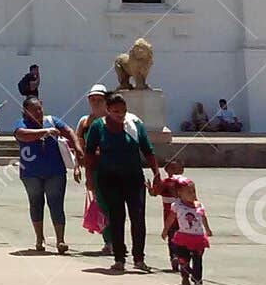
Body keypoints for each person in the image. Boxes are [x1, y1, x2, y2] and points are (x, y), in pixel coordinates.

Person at [84, 90, 162, 272]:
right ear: (107, 110)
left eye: (123, 111)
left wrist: (157, 174)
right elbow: (89, 154)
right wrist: (89, 178)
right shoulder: (98, 126)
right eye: (116, 111)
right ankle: (119, 258)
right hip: (109, 179)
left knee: (138, 217)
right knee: (116, 218)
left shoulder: (134, 125)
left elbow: (148, 151)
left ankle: (139, 258)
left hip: (133, 179)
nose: (120, 115)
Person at [13, 96, 78, 253]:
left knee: (56, 203)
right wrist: (45, 132)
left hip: (55, 171)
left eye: (40, 109)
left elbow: (68, 131)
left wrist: (77, 146)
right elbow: (22, 134)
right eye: (34, 110)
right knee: (36, 203)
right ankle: (39, 238)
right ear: (25, 112)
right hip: (31, 173)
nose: (39, 112)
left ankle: (60, 240)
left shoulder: (52, 121)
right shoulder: (21, 124)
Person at [164, 179, 212, 285]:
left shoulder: (198, 205)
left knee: (198, 260)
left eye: (194, 191)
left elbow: (203, 217)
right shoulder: (177, 205)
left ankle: (198, 279)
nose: (193, 194)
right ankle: (185, 277)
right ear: (180, 193)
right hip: (183, 237)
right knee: (184, 259)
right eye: (189, 192)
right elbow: (171, 218)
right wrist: (166, 230)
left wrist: (207, 229)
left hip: (198, 238)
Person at [153, 159, 190, 271]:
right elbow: (155, 192)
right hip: (171, 216)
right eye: (173, 169)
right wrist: (154, 185)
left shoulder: (184, 183)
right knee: (173, 237)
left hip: (181, 216)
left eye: (177, 169)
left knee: (177, 238)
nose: (175, 172)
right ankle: (176, 257)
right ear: (167, 170)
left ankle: (178, 257)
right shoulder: (167, 183)